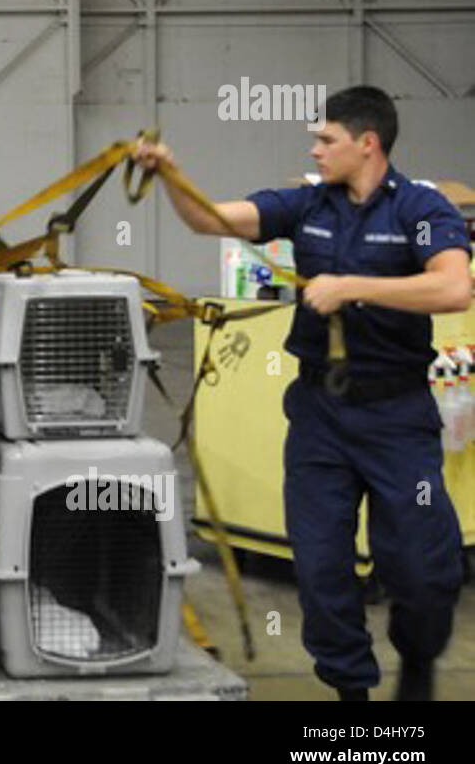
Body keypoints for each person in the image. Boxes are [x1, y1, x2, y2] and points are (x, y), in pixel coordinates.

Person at [134, 86, 471, 701]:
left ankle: (418, 661)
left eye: (326, 139)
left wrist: (350, 286)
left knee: (421, 565)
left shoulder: (419, 209)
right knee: (320, 566)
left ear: (367, 143)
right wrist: (169, 175)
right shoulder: (307, 203)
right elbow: (211, 220)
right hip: (321, 415)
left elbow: (452, 289)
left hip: (397, 415)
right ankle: (351, 697)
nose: (314, 149)